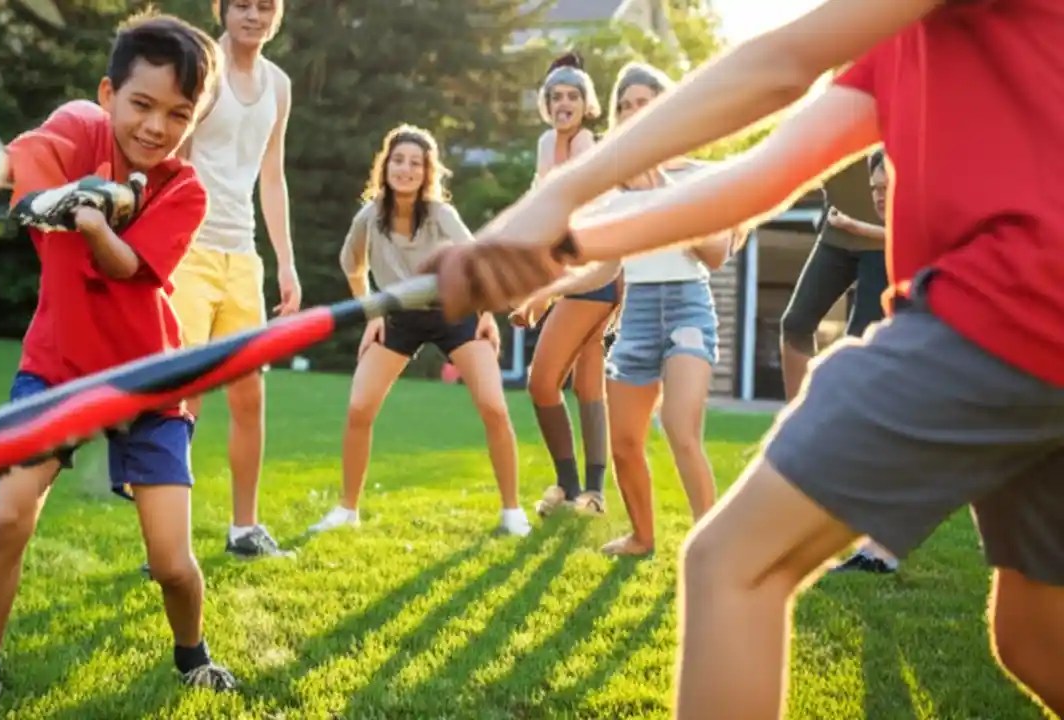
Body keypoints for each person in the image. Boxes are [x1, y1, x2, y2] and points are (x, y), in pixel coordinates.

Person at [428, 1, 1064, 717]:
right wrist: (564, 242)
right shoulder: (903, 46)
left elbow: (780, 63)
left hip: (1016, 301)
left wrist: (561, 195)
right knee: (1035, 634)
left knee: (733, 562)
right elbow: (759, 176)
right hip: (1036, 333)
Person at [0, 13, 237, 719]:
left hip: (147, 384)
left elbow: (129, 269)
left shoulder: (185, 190)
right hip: (57, 369)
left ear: (196, 119)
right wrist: (39, 197)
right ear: (108, 94)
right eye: (142, 105)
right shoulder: (79, 131)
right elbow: (30, 154)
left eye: (179, 114)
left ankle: (194, 656)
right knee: (7, 518)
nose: (156, 126)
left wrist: (91, 220)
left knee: (171, 563)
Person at [512, 62, 739, 557]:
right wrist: (544, 295)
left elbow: (717, 253)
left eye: (644, 103)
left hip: (687, 309)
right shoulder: (612, 191)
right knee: (624, 444)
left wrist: (659, 191)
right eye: (626, 106)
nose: (635, 113)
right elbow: (600, 267)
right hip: (637, 314)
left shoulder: (694, 175)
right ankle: (642, 537)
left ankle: (714, 549)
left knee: (680, 429)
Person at [308, 124, 531, 537]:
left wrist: (484, 313)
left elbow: (475, 261)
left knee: (495, 408)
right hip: (398, 316)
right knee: (359, 409)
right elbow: (352, 266)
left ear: (427, 172)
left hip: (454, 312)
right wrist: (373, 314)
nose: (405, 169)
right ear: (385, 165)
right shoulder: (369, 218)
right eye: (398, 160)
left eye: (415, 163)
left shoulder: (441, 215)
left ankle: (512, 512)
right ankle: (347, 509)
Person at [169, 0, 299, 559]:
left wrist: (286, 262)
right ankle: (167, 538)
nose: (253, 15)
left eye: (264, 6)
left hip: (242, 256)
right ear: (222, 9)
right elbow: (176, 153)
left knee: (250, 396)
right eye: (241, 4)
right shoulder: (203, 66)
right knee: (184, 397)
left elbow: (272, 175)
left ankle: (243, 530)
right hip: (190, 251)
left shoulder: (280, 85)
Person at [515, 52, 621, 517]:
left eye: (572, 96)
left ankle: (573, 484)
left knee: (542, 381)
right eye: (555, 96)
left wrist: (540, 293)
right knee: (587, 386)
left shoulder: (586, 146)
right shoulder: (546, 144)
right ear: (546, 103)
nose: (563, 104)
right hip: (571, 273)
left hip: (596, 274)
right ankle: (586, 492)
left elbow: (564, 215)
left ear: (586, 103)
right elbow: (540, 202)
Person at [826, 148, 899, 575]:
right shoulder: (900, 231)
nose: (879, 195)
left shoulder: (928, 225)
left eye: (887, 187)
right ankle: (877, 548)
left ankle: (878, 548)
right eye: (874, 188)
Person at [779, 140, 887, 400]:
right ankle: (799, 418)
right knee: (796, 323)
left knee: (860, 339)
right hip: (837, 232)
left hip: (880, 241)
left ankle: (853, 423)